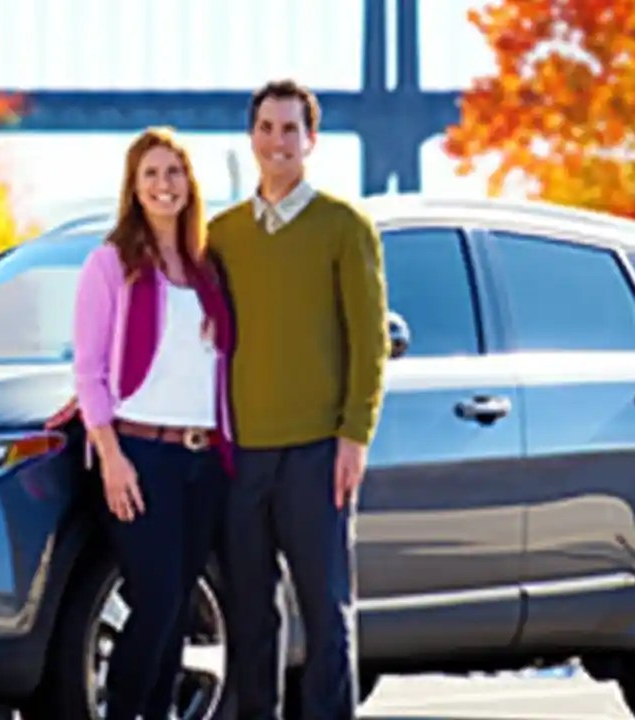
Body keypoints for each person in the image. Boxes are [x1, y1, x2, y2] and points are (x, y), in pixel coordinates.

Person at [208, 79, 389, 719]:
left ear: (311, 141)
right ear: (251, 137)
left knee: (325, 607)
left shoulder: (345, 226)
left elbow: (370, 343)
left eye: (290, 129)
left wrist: (354, 436)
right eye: (266, 128)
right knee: (251, 613)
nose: (277, 141)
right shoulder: (223, 235)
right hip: (244, 456)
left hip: (318, 452)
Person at [64, 127, 236, 720]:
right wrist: (111, 457)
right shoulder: (110, 265)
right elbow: (88, 372)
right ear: (134, 189)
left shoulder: (208, 269)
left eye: (174, 173)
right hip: (141, 456)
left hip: (203, 460)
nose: (165, 185)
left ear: (190, 184)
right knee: (157, 599)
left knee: (181, 602)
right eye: (152, 175)